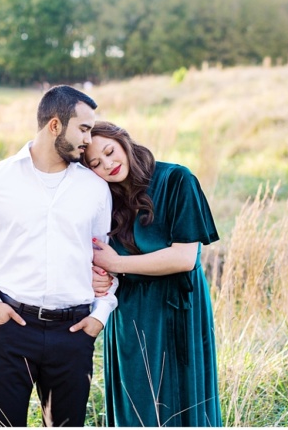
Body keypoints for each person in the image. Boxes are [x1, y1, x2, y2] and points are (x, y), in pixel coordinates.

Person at [0, 85, 118, 427]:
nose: (89, 139)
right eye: (83, 129)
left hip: (74, 333)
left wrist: (101, 314)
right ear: (55, 125)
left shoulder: (95, 189)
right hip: (11, 329)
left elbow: (104, 259)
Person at [82, 121, 222, 427]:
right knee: (137, 402)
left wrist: (116, 264)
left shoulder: (176, 179)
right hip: (129, 311)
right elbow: (94, 256)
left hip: (176, 309)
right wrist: (99, 276)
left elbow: (184, 257)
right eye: (96, 163)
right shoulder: (102, 196)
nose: (108, 164)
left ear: (124, 142)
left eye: (110, 151)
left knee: (181, 399)